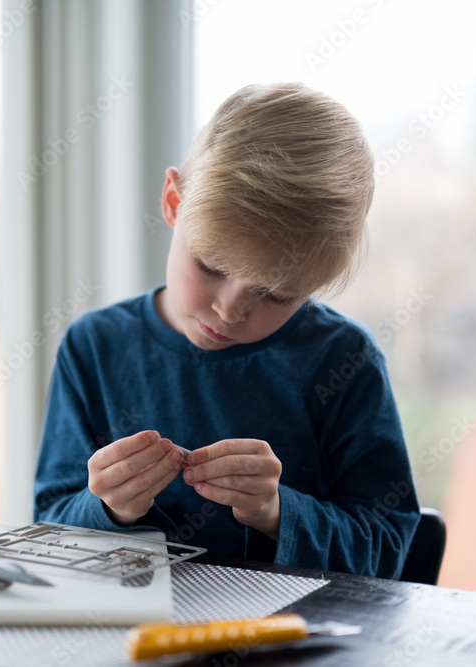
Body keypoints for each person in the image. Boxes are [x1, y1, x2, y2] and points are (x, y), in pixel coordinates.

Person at [32, 82, 420, 578]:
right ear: (173, 202)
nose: (229, 310)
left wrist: (277, 513)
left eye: (277, 294)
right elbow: (47, 530)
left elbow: (389, 550)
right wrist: (108, 509)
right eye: (211, 265)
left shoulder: (343, 361)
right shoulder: (94, 348)